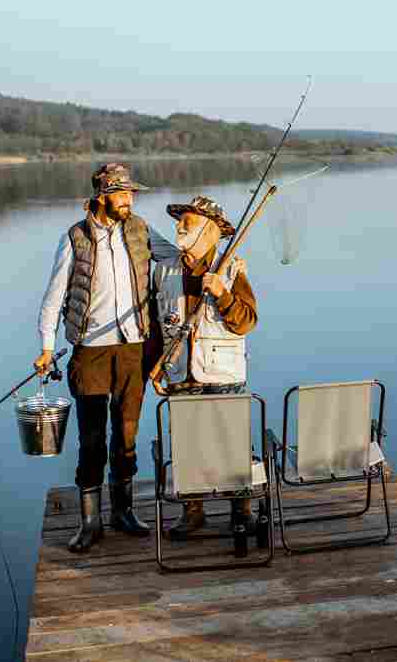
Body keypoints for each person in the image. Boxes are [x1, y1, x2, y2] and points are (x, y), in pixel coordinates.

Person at [35, 163, 179, 553]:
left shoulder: (140, 229)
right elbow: (53, 296)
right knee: (92, 439)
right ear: (103, 196)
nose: (129, 200)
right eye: (122, 194)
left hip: (133, 348)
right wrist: (47, 347)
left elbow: (174, 259)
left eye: (131, 194)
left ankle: (123, 511)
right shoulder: (76, 238)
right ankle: (89, 522)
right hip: (91, 353)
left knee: (127, 435)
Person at [151, 195, 259, 539]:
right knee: (187, 445)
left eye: (190, 221)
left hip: (223, 374)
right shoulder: (164, 268)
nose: (181, 226)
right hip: (180, 371)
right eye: (180, 221)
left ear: (211, 231)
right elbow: (157, 325)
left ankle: (241, 512)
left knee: (232, 445)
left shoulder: (231, 268)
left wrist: (223, 294)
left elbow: (247, 322)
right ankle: (193, 512)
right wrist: (154, 367)